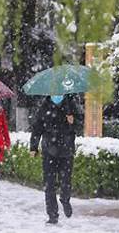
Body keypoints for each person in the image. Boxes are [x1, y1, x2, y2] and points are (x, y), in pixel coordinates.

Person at [30, 94, 79, 224]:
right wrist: (33, 147)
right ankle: (52, 215)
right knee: (49, 184)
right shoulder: (44, 106)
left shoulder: (71, 104)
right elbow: (37, 128)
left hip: (66, 150)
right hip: (49, 151)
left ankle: (65, 199)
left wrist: (73, 122)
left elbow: (78, 127)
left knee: (65, 181)